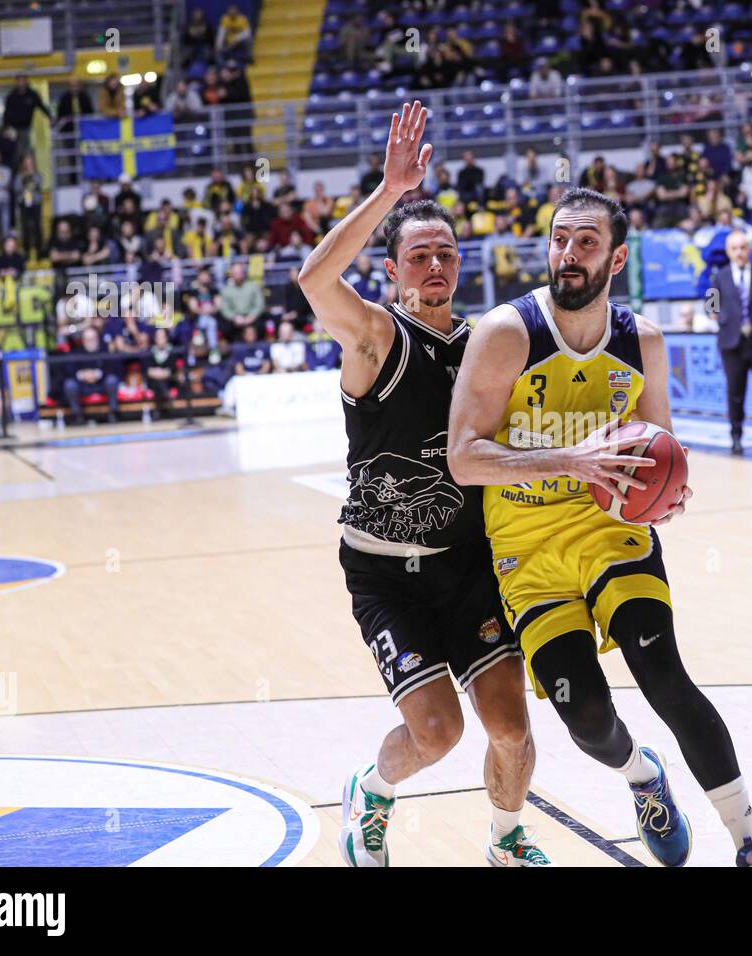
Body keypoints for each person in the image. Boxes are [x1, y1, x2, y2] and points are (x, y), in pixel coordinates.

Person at [447, 186, 752, 868]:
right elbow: (462, 457)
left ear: (617, 257)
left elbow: (663, 445)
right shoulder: (507, 334)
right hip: (526, 550)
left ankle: (751, 844)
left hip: (610, 534)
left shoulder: (641, 343)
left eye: (586, 243)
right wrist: (572, 458)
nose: (568, 255)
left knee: (664, 675)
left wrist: (668, 493)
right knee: (589, 719)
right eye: (560, 240)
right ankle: (643, 778)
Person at [296, 100, 547, 868]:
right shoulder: (375, 337)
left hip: (469, 566)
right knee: (438, 734)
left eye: (445, 253)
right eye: (418, 255)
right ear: (394, 270)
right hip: (385, 571)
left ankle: (507, 842)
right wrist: (390, 191)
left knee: (510, 727)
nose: (434, 266)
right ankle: (371, 791)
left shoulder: (489, 344)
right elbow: (312, 278)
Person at [711, 229, 752, 456]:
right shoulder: (718, 276)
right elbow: (711, 306)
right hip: (732, 342)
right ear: (729, 252)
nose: (739, 252)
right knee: (735, 393)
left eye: (743, 247)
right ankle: (736, 436)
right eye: (735, 248)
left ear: (749, 249)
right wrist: (720, 316)